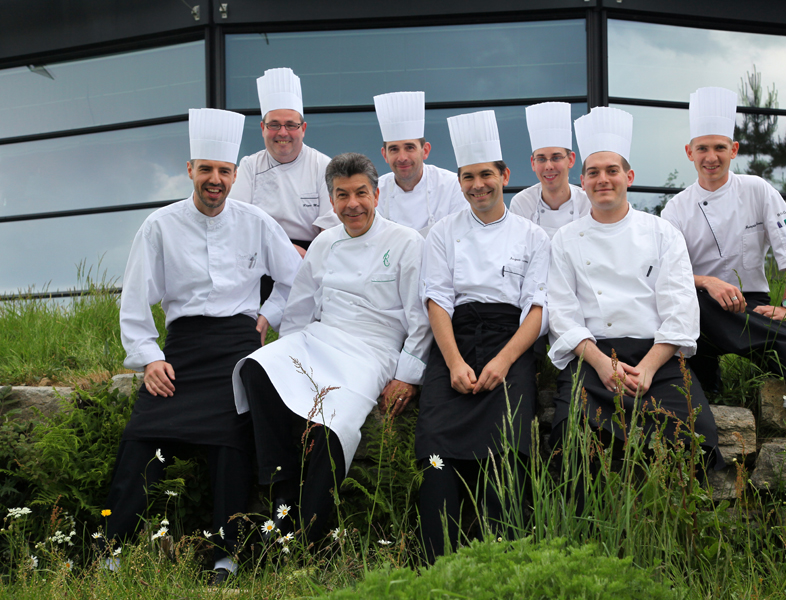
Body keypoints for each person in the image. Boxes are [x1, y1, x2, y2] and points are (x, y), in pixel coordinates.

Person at [107, 108, 301, 583]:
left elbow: (296, 282)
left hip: (238, 346)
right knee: (141, 439)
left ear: (235, 175)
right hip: (182, 349)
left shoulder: (256, 220)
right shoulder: (159, 225)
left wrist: (266, 317)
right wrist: (150, 358)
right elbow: (134, 304)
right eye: (206, 170)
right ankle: (112, 549)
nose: (215, 180)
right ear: (190, 170)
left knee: (231, 445)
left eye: (224, 171)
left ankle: (224, 556)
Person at [232, 152, 432, 543]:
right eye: (342, 195)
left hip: (373, 351)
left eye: (361, 193)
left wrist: (407, 376)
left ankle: (308, 536)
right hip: (320, 338)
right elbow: (300, 308)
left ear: (377, 194)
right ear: (332, 201)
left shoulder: (407, 242)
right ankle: (281, 486)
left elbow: (419, 318)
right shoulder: (325, 242)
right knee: (256, 366)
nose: (352, 203)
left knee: (332, 429)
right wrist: (288, 355)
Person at [548, 106, 723, 493]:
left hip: (656, 360)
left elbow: (680, 309)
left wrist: (645, 368)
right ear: (583, 181)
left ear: (628, 177)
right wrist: (600, 363)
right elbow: (561, 312)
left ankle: (670, 527)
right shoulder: (564, 239)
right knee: (571, 438)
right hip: (592, 360)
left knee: (697, 438)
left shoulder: (662, 233)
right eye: (593, 172)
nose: (603, 179)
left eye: (612, 171)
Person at [417, 110, 550, 562]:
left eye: (486, 175)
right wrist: (453, 362)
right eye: (469, 177)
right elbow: (436, 299)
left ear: (504, 175)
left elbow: (537, 308)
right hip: (453, 343)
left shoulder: (534, 237)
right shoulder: (442, 233)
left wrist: (504, 361)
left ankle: (502, 561)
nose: (479, 185)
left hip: (509, 345)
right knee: (435, 451)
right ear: (459, 181)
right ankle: (438, 562)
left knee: (506, 451)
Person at [660, 87, 786, 394]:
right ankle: (711, 387)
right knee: (703, 365)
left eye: (719, 148)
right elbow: (666, 271)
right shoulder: (676, 208)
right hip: (701, 307)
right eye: (702, 148)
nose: (711, 157)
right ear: (689, 153)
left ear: (733, 150)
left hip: (752, 305)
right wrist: (709, 282)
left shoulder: (757, 189)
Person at [229, 68, 340, 301]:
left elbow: (329, 231)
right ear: (262, 129)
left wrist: (302, 256)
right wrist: (283, 251)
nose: (282, 133)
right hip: (258, 257)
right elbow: (238, 224)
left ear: (303, 129)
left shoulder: (322, 165)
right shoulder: (250, 165)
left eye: (291, 125)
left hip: (310, 256)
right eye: (274, 125)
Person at [374, 91, 468, 236]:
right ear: (384, 155)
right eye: (394, 149)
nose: (402, 157)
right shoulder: (375, 191)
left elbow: (462, 236)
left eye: (409, 148)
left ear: (425, 150)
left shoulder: (452, 186)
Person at [509, 102, 590, 238]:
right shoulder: (522, 204)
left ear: (571, 160)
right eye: (541, 159)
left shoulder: (587, 203)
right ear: (532, 163)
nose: (548, 166)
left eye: (556, 158)